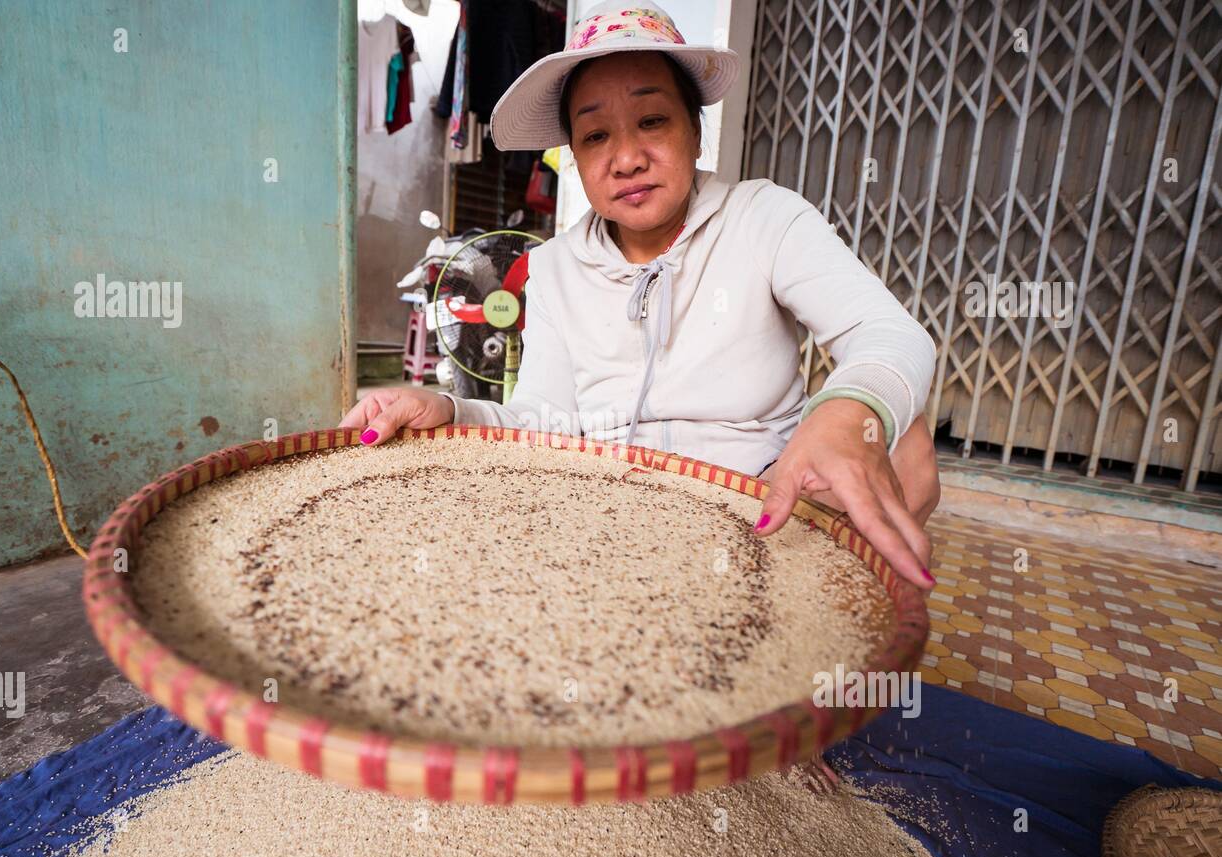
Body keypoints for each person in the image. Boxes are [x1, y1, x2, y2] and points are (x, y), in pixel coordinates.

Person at [341, 2, 940, 590]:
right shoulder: (553, 268)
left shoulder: (764, 218)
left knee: (902, 433)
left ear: (695, 131)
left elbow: (889, 334)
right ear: (576, 157)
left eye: (652, 121)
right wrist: (451, 411)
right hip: (611, 522)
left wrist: (846, 414)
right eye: (596, 134)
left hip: (761, 511)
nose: (626, 159)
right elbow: (539, 423)